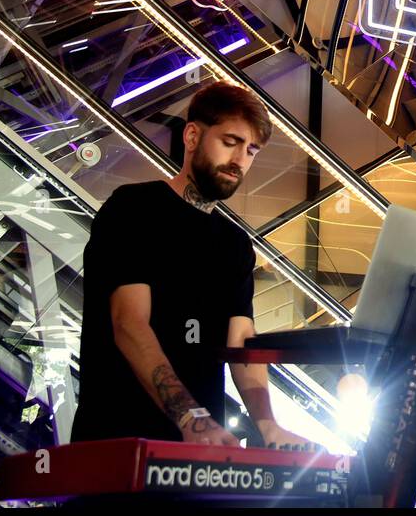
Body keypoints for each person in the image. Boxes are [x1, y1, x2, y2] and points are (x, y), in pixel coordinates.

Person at [71, 81, 301, 448]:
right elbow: (129, 323)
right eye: (230, 142)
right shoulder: (133, 208)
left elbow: (241, 342)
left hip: (200, 453)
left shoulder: (236, 245)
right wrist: (191, 419)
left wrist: (268, 424)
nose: (240, 160)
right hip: (119, 440)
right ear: (192, 136)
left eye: (252, 151)